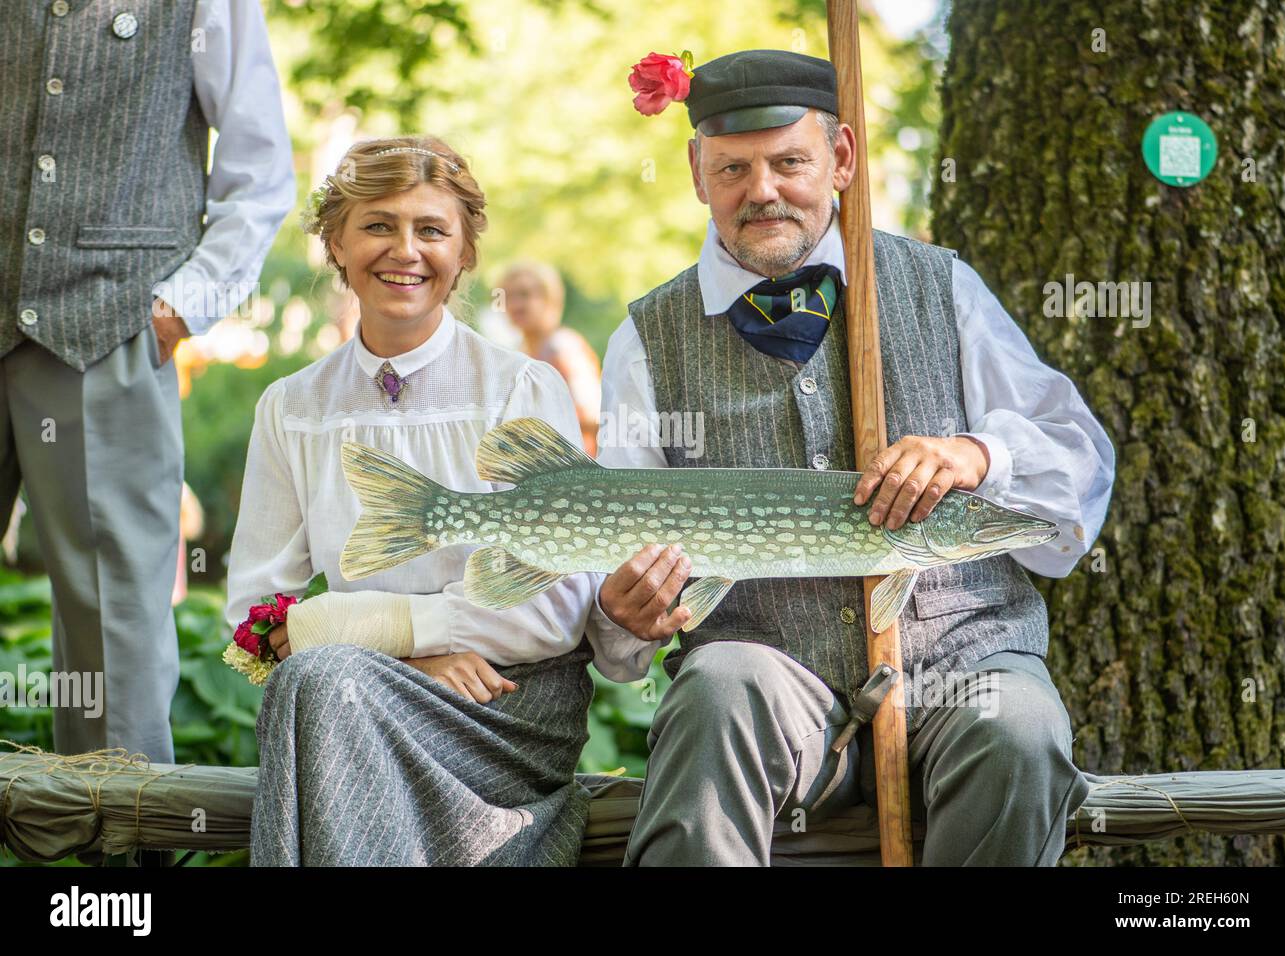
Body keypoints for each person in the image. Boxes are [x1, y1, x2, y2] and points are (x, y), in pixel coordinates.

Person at [596, 50, 1117, 865]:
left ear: (841, 159)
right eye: (732, 169)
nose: (761, 192)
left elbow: (1079, 461)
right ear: (698, 175)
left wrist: (977, 454)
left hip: (962, 661)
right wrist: (623, 615)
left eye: (789, 163)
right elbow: (620, 552)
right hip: (768, 682)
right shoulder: (647, 339)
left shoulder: (939, 285)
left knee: (1018, 732)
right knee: (715, 692)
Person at [226, 135, 654, 866]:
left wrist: (379, 630)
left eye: (431, 230)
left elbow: (553, 607)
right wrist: (415, 655)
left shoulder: (521, 388)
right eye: (377, 225)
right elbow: (253, 618)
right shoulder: (291, 406)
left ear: (464, 255)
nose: (405, 250)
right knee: (320, 684)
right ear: (335, 241)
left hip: (509, 706)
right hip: (357, 691)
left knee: (325, 683)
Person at [0, 0, 294, 764]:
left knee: (114, 621)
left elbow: (260, 166)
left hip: (109, 320)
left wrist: (181, 305)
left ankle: (121, 858)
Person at [499, 260, 603, 456]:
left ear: (549, 299)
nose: (515, 304)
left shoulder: (562, 346)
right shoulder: (519, 354)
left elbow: (594, 416)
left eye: (525, 294)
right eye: (508, 296)